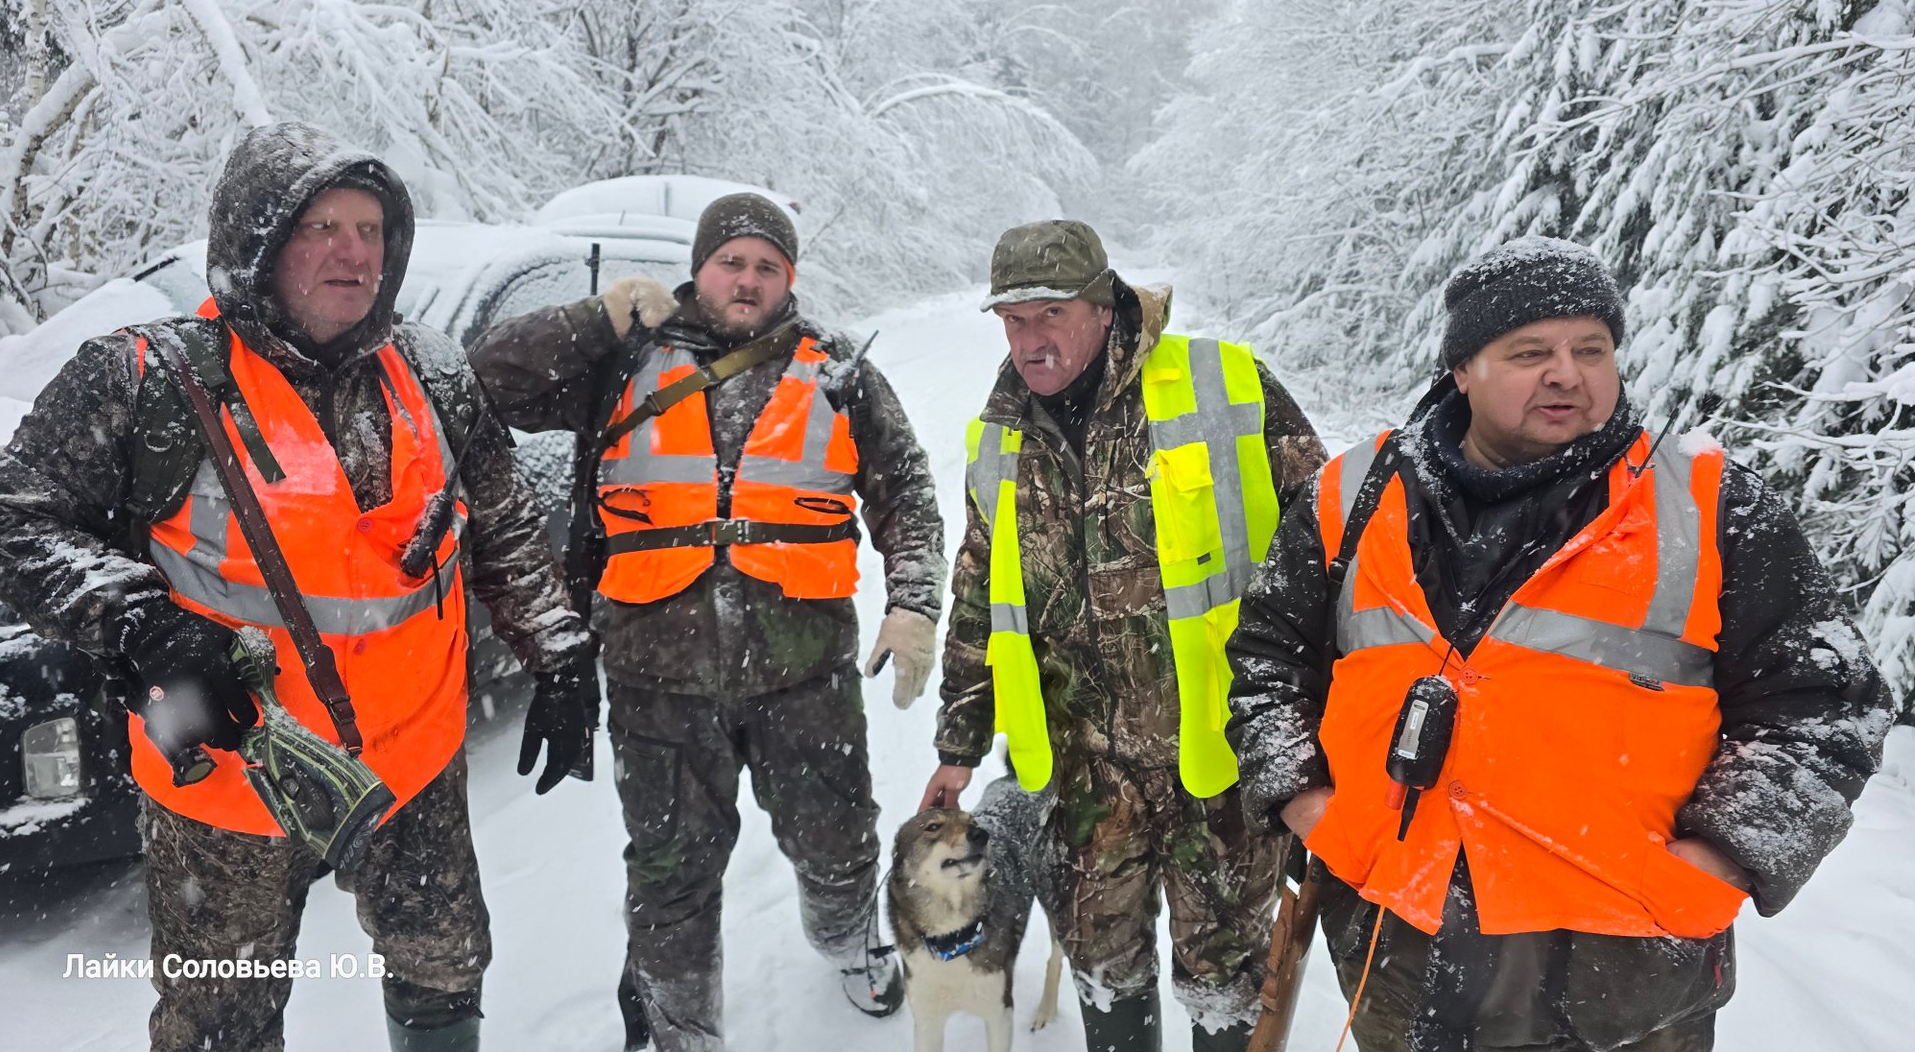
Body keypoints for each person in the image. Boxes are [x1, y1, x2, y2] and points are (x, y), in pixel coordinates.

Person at [0, 121, 597, 1052]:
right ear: (255, 241)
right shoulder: (144, 379)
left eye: (370, 228)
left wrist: (557, 653)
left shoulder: (432, 371)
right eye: (322, 226)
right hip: (232, 779)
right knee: (220, 1026)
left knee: (443, 964)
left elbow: (504, 522)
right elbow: (13, 518)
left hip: (412, 764)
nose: (354, 253)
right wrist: (140, 626)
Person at [1225, 238, 1893, 1052]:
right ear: (1463, 369)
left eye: (1592, 349)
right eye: (1530, 351)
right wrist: (1304, 801)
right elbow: (1266, 659)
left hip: (1630, 975)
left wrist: (1728, 851)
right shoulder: (1352, 497)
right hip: (1401, 948)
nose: (1567, 374)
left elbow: (1827, 702)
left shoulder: (1709, 503)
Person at [468, 192, 946, 1051]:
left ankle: (847, 940)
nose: (748, 279)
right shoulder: (623, 359)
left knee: (838, 850)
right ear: (700, 267)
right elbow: (484, 382)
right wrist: (593, 319)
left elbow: (907, 490)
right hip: (659, 684)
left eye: (769, 266)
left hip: (806, 677)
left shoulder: (835, 368)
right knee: (669, 877)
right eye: (733, 260)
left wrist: (912, 602)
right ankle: (684, 1030)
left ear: (788, 279)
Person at [919, 219, 1327, 1052]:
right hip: (1081, 774)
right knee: (1104, 961)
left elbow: (1329, 547)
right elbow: (975, 597)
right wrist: (957, 744)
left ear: (1105, 307)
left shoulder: (1224, 385)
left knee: (1224, 976)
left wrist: (1331, 721)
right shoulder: (998, 438)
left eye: (1051, 314)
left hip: (1217, 759)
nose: (1030, 341)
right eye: (1012, 320)